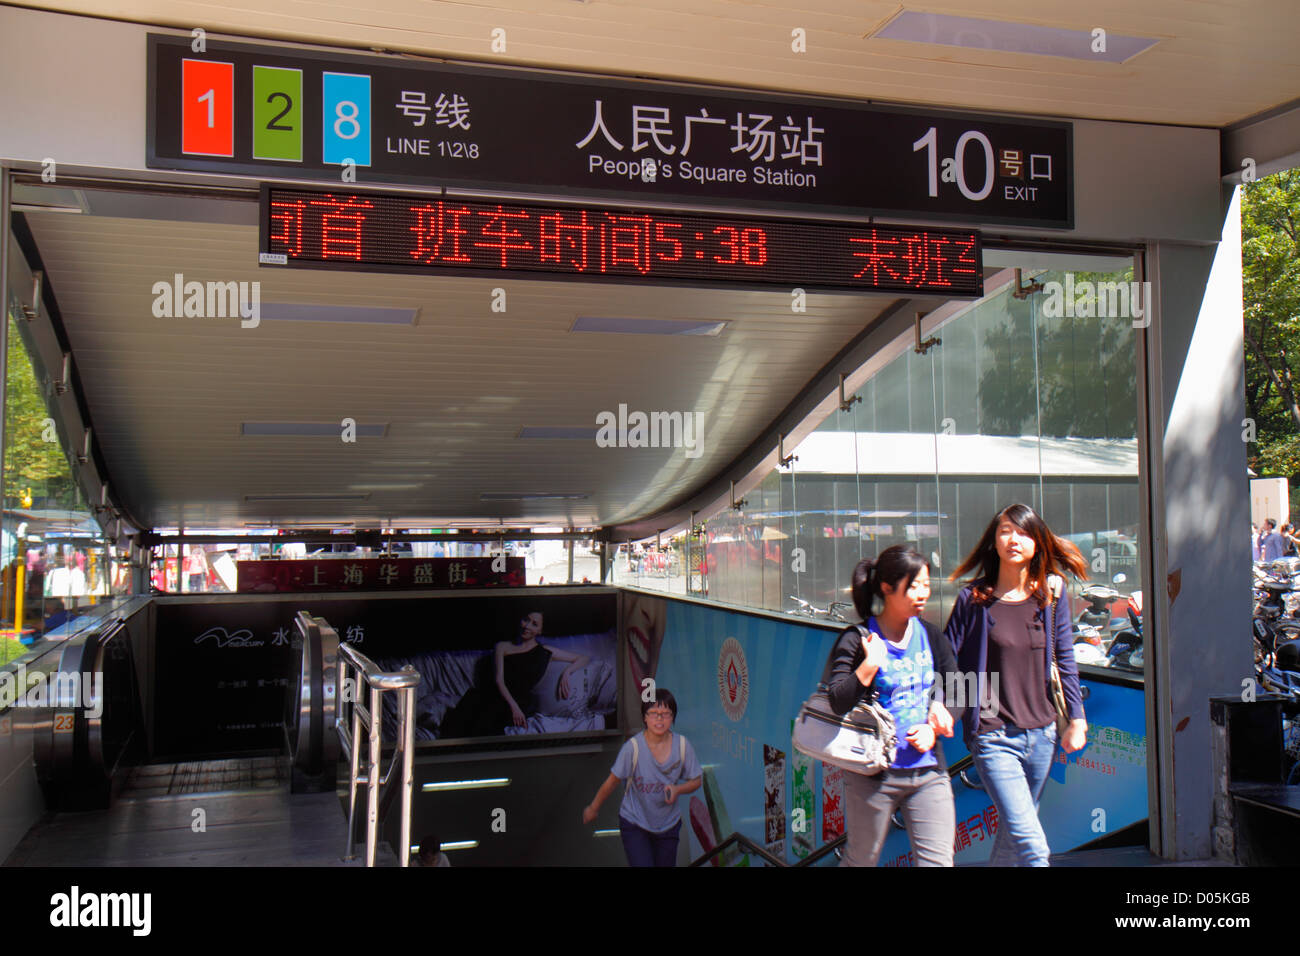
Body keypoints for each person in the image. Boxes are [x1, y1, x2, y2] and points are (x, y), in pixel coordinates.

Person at [945, 503, 1088, 867]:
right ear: (993, 542)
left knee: (1013, 837)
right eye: (1005, 531)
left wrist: (1077, 718)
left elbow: (1065, 660)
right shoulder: (974, 600)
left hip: (1042, 733)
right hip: (993, 734)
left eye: (1023, 532)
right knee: (1033, 846)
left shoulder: (1050, 599)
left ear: (1037, 543)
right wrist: (942, 709)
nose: (1013, 539)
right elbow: (947, 661)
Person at [824, 546, 958, 867]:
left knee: (938, 863)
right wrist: (870, 665)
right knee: (861, 860)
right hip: (872, 775)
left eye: (927, 585)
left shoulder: (930, 635)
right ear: (887, 587)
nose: (923, 594)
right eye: (914, 586)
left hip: (927, 771)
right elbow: (837, 700)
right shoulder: (857, 639)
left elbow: (958, 688)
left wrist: (939, 717)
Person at [582, 688, 702, 867]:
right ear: (645, 717)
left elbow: (696, 781)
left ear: (673, 717)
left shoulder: (683, 746)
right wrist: (593, 807)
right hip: (635, 822)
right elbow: (612, 781)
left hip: (668, 824)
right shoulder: (633, 748)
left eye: (665, 714)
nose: (659, 719)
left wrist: (678, 789)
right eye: (653, 713)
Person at [439, 611, 589, 737]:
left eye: (534, 624)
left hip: (521, 701)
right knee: (460, 725)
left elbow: (583, 658)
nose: (527, 626)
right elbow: (499, 680)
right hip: (494, 696)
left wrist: (567, 672)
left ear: (540, 631)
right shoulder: (503, 646)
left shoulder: (544, 651)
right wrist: (514, 707)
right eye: (526, 620)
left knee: (487, 727)